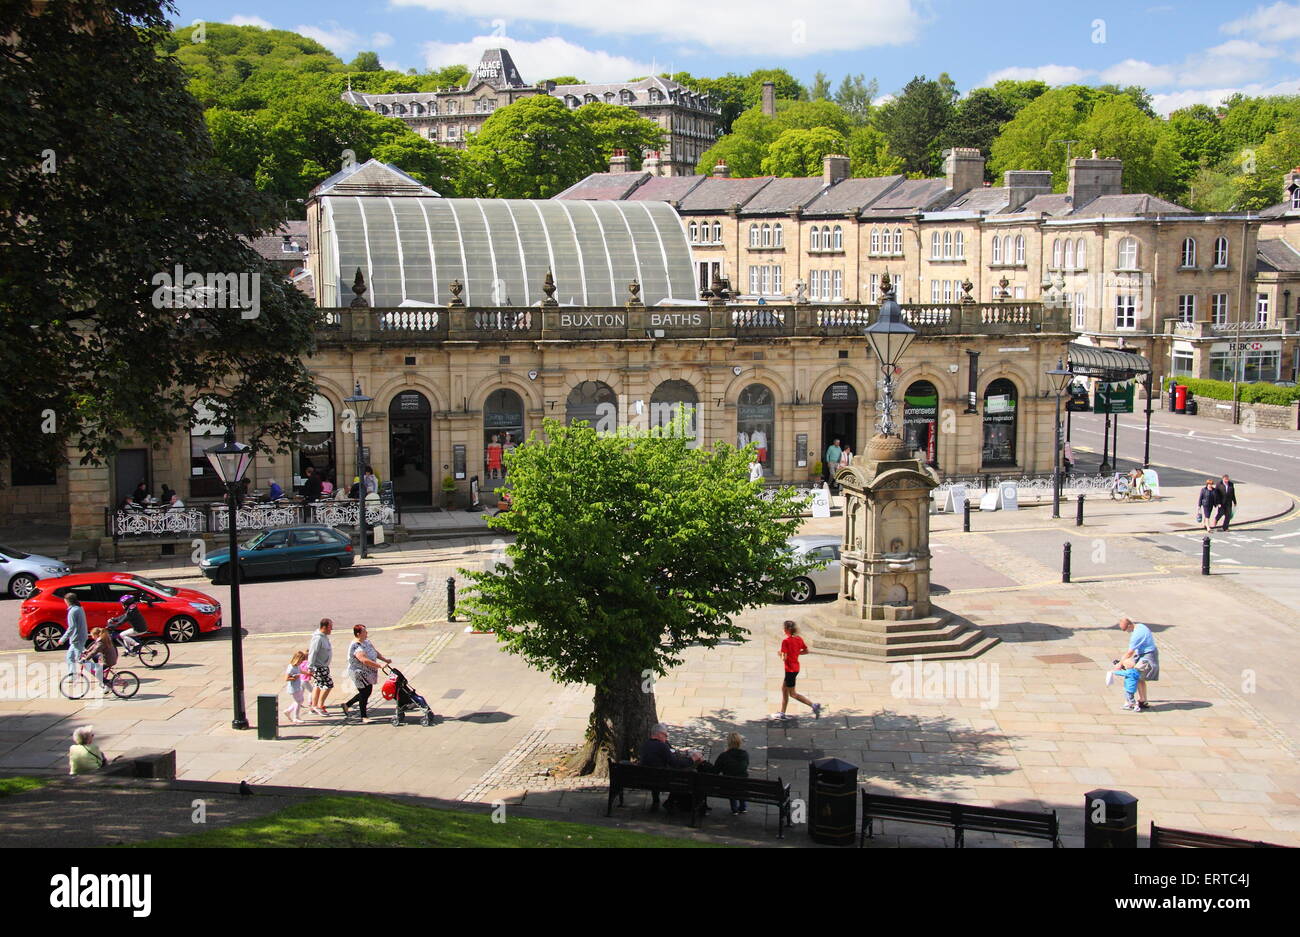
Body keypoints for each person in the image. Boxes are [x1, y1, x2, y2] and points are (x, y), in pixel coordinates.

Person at [638, 724, 701, 811]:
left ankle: (657, 801)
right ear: (659, 734)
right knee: (685, 774)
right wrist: (692, 759)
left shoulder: (645, 744)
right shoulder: (662, 746)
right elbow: (675, 763)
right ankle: (672, 802)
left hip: (645, 778)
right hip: (662, 779)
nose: (666, 738)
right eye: (665, 735)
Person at [342, 624, 390, 722]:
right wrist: (379, 666)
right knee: (365, 693)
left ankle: (347, 705)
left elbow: (374, 651)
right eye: (364, 631)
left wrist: (384, 659)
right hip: (358, 673)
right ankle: (363, 717)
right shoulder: (356, 645)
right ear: (358, 634)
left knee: (366, 692)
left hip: (368, 671)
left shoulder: (366, 641)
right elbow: (363, 659)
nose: (366, 633)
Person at [778, 620, 821, 719]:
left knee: (792, 694)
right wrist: (797, 653)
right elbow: (806, 651)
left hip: (789, 670)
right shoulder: (799, 639)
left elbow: (784, 658)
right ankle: (782, 713)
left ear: (786, 630)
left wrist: (780, 654)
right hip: (796, 668)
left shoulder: (786, 641)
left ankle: (813, 705)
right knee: (784, 689)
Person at [1117, 617, 1159, 711]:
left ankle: (1138, 701)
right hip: (1147, 653)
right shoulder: (1140, 626)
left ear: (1129, 625)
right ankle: (1143, 700)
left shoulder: (1136, 635)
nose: (1126, 632)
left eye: (1125, 629)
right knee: (1141, 678)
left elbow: (1129, 653)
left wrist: (1120, 664)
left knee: (1139, 676)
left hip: (1147, 656)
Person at [714, 732, 750, 815]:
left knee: (730, 782)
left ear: (728, 743)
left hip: (728, 786)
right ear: (740, 742)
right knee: (741, 781)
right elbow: (744, 767)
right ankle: (743, 807)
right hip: (743, 785)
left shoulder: (723, 755)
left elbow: (715, 770)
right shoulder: (744, 754)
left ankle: (734, 809)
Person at [308, 618, 334, 716]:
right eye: (330, 627)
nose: (332, 629)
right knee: (328, 685)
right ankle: (319, 706)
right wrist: (310, 667)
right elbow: (312, 652)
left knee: (318, 685)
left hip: (323, 666)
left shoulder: (323, 637)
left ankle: (313, 706)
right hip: (319, 667)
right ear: (324, 627)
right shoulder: (318, 638)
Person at [57, 593, 88, 676]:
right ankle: (72, 675)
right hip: (79, 637)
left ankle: (99, 672)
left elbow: (72, 627)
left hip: (77, 638)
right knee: (70, 657)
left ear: (68, 601)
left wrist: (63, 639)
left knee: (80, 659)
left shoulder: (73, 611)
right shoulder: (79, 608)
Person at [283, 650, 309, 724]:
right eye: (301, 661)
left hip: (297, 686)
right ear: (297, 659)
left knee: (299, 700)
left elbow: (300, 671)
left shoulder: (297, 666)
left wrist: (307, 673)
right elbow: (286, 678)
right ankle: (296, 717)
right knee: (299, 701)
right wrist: (295, 677)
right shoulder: (291, 667)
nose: (301, 663)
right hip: (293, 687)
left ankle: (288, 711)